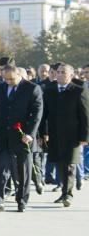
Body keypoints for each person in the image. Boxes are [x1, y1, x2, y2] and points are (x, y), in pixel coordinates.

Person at [0, 64, 43, 213]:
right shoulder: (1, 88)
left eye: (11, 79)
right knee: (0, 169)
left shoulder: (32, 89)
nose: (8, 82)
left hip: (23, 137)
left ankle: (22, 200)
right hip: (3, 136)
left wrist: (30, 134)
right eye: (5, 79)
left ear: (19, 75)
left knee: (23, 170)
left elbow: (37, 114)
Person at [41, 63, 89, 206]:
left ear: (71, 75)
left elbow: (85, 115)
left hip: (72, 135)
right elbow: (44, 114)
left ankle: (68, 194)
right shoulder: (49, 90)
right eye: (58, 72)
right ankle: (63, 192)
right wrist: (43, 133)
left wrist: (84, 137)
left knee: (69, 164)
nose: (59, 75)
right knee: (60, 163)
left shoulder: (79, 91)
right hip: (54, 135)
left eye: (63, 72)